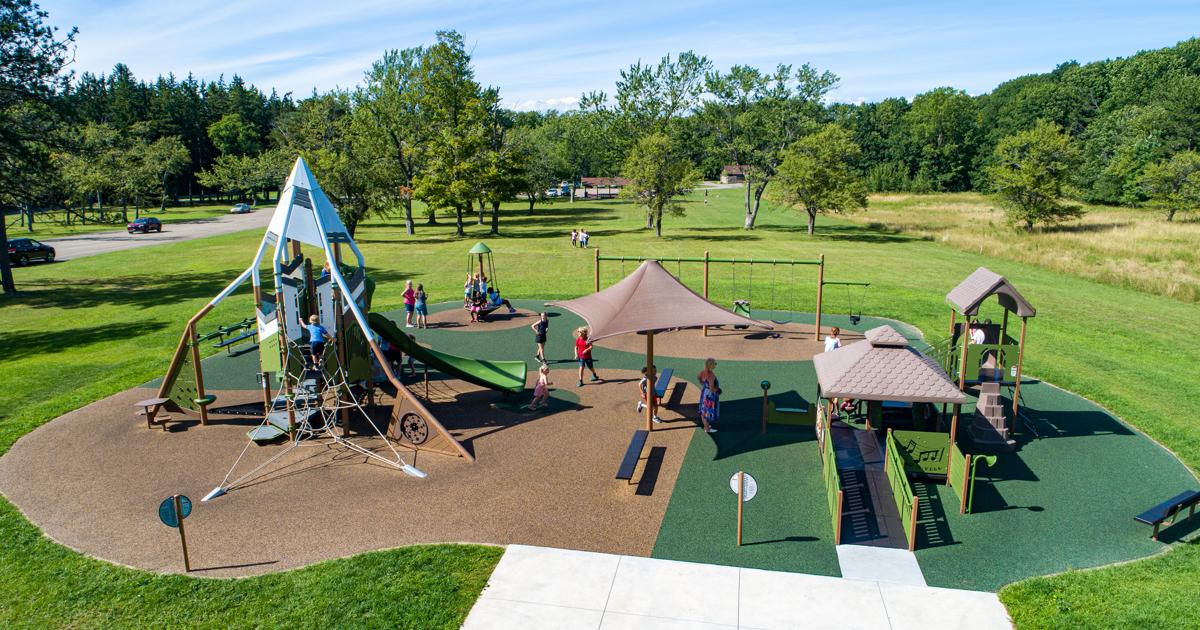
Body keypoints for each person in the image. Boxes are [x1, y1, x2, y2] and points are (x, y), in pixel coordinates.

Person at [697, 358, 721, 433]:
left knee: (703, 411)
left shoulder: (702, 372)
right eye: (714, 364)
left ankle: (706, 426)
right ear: (711, 365)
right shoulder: (710, 375)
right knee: (706, 413)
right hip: (709, 395)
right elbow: (712, 388)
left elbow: (699, 377)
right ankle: (707, 429)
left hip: (704, 392)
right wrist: (717, 391)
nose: (715, 365)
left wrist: (704, 385)